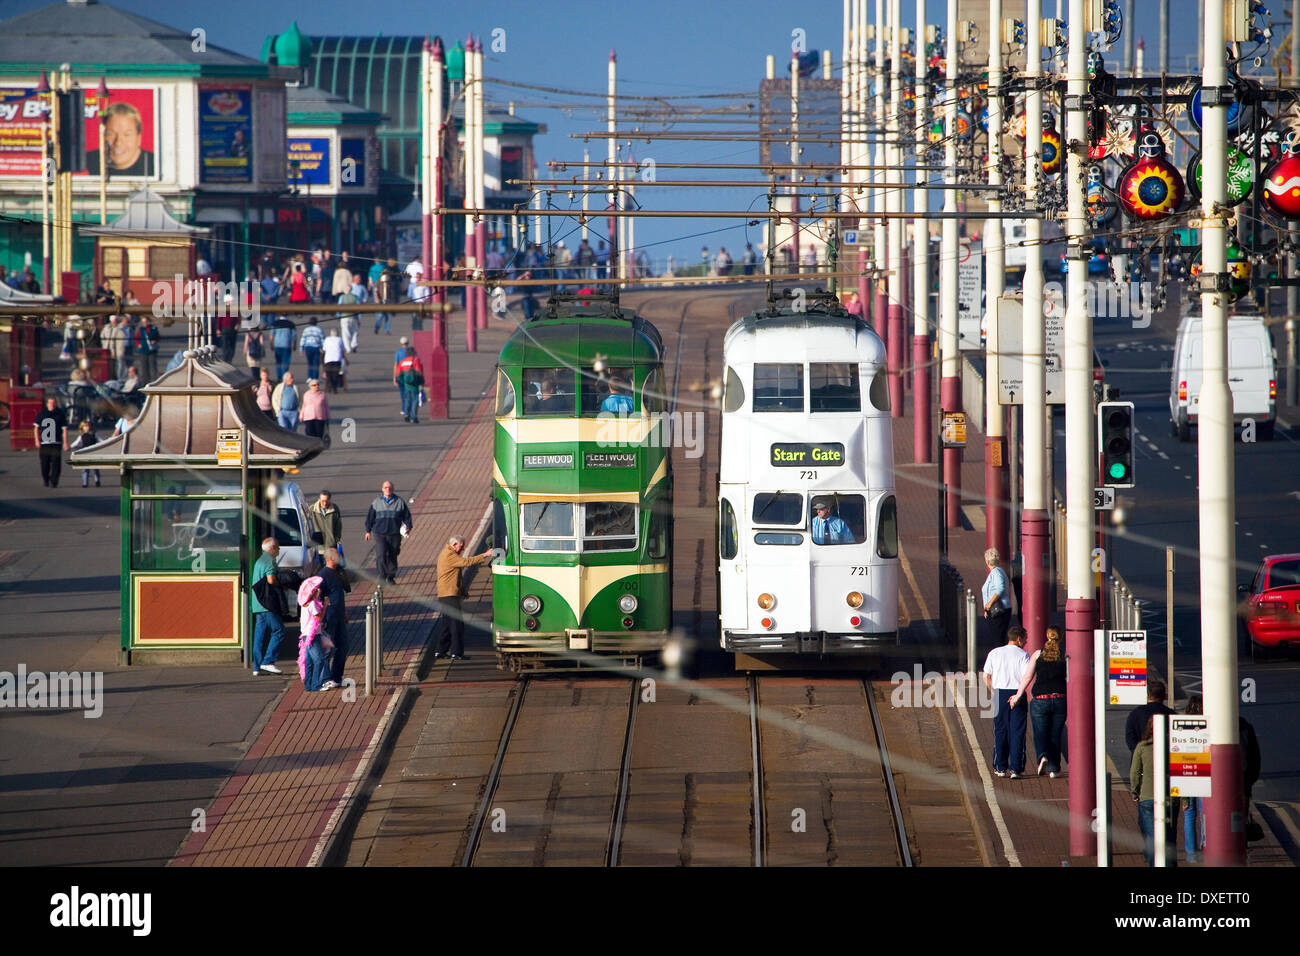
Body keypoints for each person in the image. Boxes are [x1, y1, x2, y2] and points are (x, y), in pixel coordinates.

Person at [1010, 624, 1067, 777]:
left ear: (1047, 637)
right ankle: (1054, 768)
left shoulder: (1037, 655)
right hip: (1059, 699)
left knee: (1040, 732)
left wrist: (1018, 694)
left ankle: (1042, 756)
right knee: (1055, 734)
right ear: (1060, 638)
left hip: (1040, 700)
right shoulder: (1064, 656)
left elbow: (1027, 677)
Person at [434, 535, 494, 660]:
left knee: (447, 624)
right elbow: (466, 562)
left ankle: (440, 651)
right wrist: (485, 554)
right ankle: (456, 652)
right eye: (461, 546)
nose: (463, 549)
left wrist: (462, 591)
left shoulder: (448, 553)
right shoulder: (449, 555)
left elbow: (455, 576)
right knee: (457, 624)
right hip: (449, 594)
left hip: (447, 593)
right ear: (454, 544)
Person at [983, 625, 1030, 778]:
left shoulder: (995, 653)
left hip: (1000, 693)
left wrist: (993, 691)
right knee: (1017, 731)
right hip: (1017, 693)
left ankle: (1000, 766)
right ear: (1018, 639)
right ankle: (1016, 768)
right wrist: (1018, 694)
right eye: (1025, 638)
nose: (1026, 641)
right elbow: (1026, 677)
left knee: (1000, 730)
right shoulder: (1023, 655)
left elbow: (986, 676)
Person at [1130, 714, 1177, 866]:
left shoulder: (1142, 747)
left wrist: (1135, 791)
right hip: (1170, 797)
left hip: (1148, 797)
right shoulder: (1173, 746)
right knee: (1169, 839)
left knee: (1152, 840)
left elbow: (1135, 772)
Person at [249, 537, 287, 676]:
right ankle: (268, 661)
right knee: (279, 630)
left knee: (259, 635)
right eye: (277, 547)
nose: (278, 549)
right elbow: (271, 580)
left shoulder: (259, 560)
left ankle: (257, 667)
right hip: (267, 603)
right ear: (271, 548)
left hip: (257, 603)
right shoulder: (269, 560)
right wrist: (282, 584)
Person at [87, 102, 155, 176]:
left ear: (139, 138)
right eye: (111, 134)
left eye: (127, 135)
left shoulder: (156, 165)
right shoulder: (86, 162)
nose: (118, 142)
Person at [365, 480, 412, 585]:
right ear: (382, 489)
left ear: (393, 489)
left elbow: (407, 516)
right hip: (379, 533)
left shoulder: (399, 502)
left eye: (389, 488)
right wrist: (368, 531)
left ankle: (390, 576)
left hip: (394, 533)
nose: (388, 489)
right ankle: (382, 576)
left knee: (393, 554)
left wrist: (408, 527)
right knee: (381, 554)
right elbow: (370, 517)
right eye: (385, 488)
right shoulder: (376, 502)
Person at [296, 576, 337, 692]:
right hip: (312, 636)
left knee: (309, 661)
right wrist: (325, 605)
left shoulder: (305, 603)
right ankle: (316, 685)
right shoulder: (313, 604)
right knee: (319, 660)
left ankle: (308, 685)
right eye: (316, 589)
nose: (318, 590)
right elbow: (318, 617)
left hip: (306, 635)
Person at [318, 549, 351, 687]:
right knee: (326, 648)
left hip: (339, 615)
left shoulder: (338, 572)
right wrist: (321, 618)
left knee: (342, 646)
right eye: (337, 556)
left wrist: (344, 612)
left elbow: (341, 593)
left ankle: (336, 677)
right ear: (330, 558)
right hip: (329, 617)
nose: (340, 558)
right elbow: (318, 597)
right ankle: (324, 679)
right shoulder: (323, 575)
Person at [1124, 678, 1176, 754]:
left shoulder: (1135, 713)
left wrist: (1139, 754)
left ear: (1148, 695)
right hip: (1166, 758)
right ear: (1164, 696)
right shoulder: (1171, 714)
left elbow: (1130, 737)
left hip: (1142, 760)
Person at [1182, 695, 1204, 862]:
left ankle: (1191, 854)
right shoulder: (1207, 726)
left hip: (1186, 774)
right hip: (1204, 774)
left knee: (1189, 814)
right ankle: (1206, 845)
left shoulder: (1182, 728)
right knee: (1205, 814)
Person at [34, 396, 68, 488]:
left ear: (56, 404)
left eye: (53, 403)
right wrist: (37, 440)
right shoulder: (42, 414)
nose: (52, 405)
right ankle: (46, 479)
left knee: (56, 463)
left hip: (56, 442)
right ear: (47, 404)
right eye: (50, 403)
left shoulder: (60, 414)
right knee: (45, 463)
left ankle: (54, 481)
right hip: (44, 443)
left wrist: (65, 442)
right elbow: (36, 428)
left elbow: (64, 429)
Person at [982, 548, 1012, 645]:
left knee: (998, 639)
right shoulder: (998, 572)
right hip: (998, 610)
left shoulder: (996, 573)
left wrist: (989, 604)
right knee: (998, 637)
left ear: (987, 561)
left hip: (999, 610)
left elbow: (1000, 588)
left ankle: (999, 659)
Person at [309, 490, 344, 562]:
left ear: (330, 500)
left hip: (331, 546)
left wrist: (336, 539)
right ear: (319, 499)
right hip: (318, 548)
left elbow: (338, 526)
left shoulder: (334, 509)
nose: (324, 503)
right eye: (322, 501)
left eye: (327, 501)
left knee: (332, 567)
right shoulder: (312, 510)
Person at [394, 346, 425, 424]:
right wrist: (421, 382)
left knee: (407, 399)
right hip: (414, 385)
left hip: (406, 384)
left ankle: (406, 414)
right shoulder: (415, 360)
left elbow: (399, 374)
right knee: (415, 400)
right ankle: (414, 417)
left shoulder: (402, 362)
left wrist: (402, 381)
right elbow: (419, 372)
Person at [70, 420, 101, 488]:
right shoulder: (81, 436)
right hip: (85, 454)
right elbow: (76, 443)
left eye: (88, 426)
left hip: (94, 453)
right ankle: (85, 483)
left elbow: (101, 441)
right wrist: (70, 447)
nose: (87, 428)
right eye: (85, 426)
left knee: (95, 469)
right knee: (85, 469)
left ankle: (97, 480)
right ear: (82, 428)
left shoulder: (94, 434)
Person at [102, 315, 129, 381]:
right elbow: (107, 339)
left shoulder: (119, 329)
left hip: (119, 350)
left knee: (120, 365)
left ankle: (119, 378)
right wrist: (106, 346)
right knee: (114, 365)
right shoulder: (107, 328)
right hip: (109, 349)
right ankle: (115, 378)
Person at [134, 316, 160, 381]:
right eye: (143, 322)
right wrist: (139, 344)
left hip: (152, 350)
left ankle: (154, 380)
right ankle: (145, 381)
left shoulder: (154, 328)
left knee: (153, 366)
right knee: (144, 367)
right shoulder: (141, 329)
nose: (144, 323)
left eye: (145, 322)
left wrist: (155, 341)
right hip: (143, 350)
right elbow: (137, 338)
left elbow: (158, 337)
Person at [322, 328, 344, 393]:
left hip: (328, 359)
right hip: (337, 359)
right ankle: (334, 388)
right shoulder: (340, 339)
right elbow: (342, 350)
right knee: (335, 374)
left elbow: (324, 350)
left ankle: (330, 386)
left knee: (329, 374)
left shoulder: (327, 339)